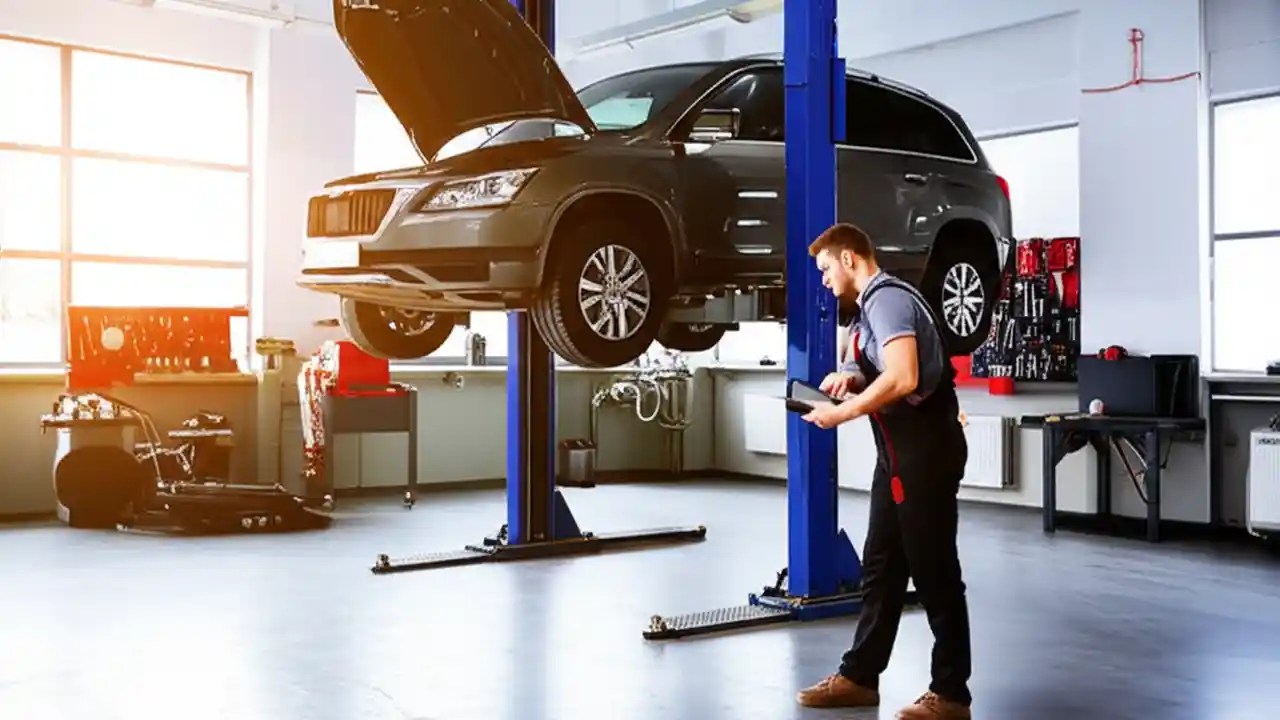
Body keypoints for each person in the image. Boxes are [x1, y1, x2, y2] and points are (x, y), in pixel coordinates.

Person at [795, 222, 973, 720]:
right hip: (896, 453)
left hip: (926, 451)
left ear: (849, 258)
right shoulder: (864, 315)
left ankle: (952, 694)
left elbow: (905, 376)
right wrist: (847, 379)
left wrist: (841, 414)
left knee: (934, 569)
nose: (825, 280)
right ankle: (859, 676)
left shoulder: (888, 300)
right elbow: (879, 368)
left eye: (827, 268)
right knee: (882, 566)